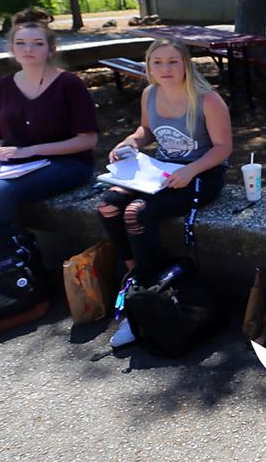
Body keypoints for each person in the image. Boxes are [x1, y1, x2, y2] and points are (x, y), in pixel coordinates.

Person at [99, 39, 232, 348]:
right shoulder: (150, 94)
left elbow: (223, 148)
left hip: (201, 175)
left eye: (172, 61)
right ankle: (141, 285)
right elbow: (146, 131)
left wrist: (190, 170)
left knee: (136, 213)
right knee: (108, 207)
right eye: (157, 62)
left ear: (186, 63)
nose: (165, 69)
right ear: (149, 67)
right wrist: (130, 143)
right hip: (160, 172)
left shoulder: (207, 99)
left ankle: (145, 299)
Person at [0, 9, 98, 237]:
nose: (28, 49)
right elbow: (1, 138)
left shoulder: (69, 84)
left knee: (0, 192)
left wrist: (28, 150)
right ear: (11, 48)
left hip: (67, 164)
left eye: (37, 44)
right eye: (20, 43)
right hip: (16, 166)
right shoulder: (3, 86)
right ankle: (1, 256)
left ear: (51, 49)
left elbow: (88, 140)